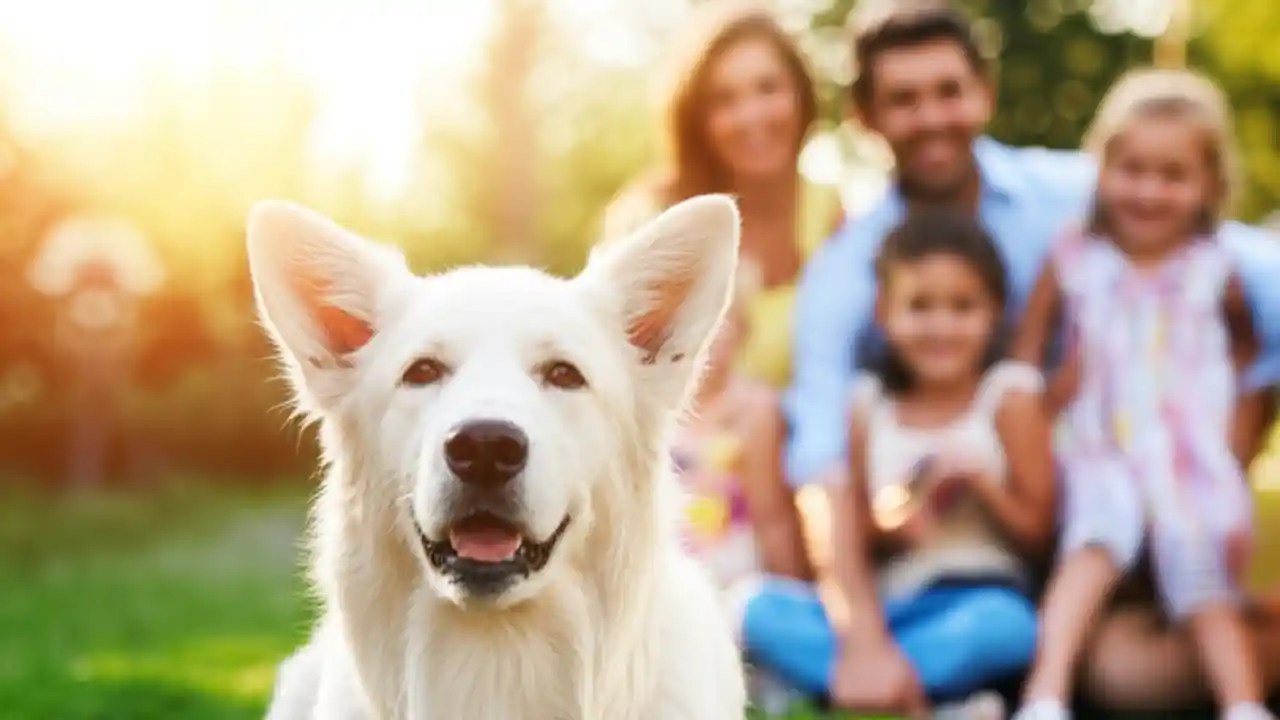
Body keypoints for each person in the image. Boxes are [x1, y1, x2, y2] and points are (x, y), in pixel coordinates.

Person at [1010, 69, 1275, 720]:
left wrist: (1222, 432)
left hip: (1183, 457)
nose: (1149, 190)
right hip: (1101, 448)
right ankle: (1046, 692)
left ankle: (1241, 703)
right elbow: (1029, 351)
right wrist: (1043, 399)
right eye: (1131, 168)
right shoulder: (1075, 254)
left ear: (1210, 185)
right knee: (1090, 554)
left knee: (1203, 574)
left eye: (1173, 174)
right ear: (1100, 168)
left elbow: (1246, 360)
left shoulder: (1216, 266)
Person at [737, 210, 1056, 717]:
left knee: (1008, 627)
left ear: (994, 312)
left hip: (974, 599)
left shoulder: (1008, 399)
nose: (941, 326)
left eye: (962, 307)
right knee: (754, 606)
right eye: (919, 307)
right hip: (890, 612)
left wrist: (982, 485)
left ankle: (845, 690)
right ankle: (918, 694)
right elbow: (861, 530)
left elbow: (1040, 534)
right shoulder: (869, 406)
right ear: (884, 314)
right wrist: (898, 519)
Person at [603, 0, 842, 390]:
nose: (751, 116)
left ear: (800, 94)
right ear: (698, 118)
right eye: (724, 99)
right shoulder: (650, 217)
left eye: (767, 88)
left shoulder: (831, 213)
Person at [676, 277, 812, 588]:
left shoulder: (757, 409)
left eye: (723, 319)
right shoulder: (656, 408)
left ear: (743, 330)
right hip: (668, 575)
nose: (712, 332)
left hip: (735, 576)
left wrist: (793, 594)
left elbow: (773, 518)